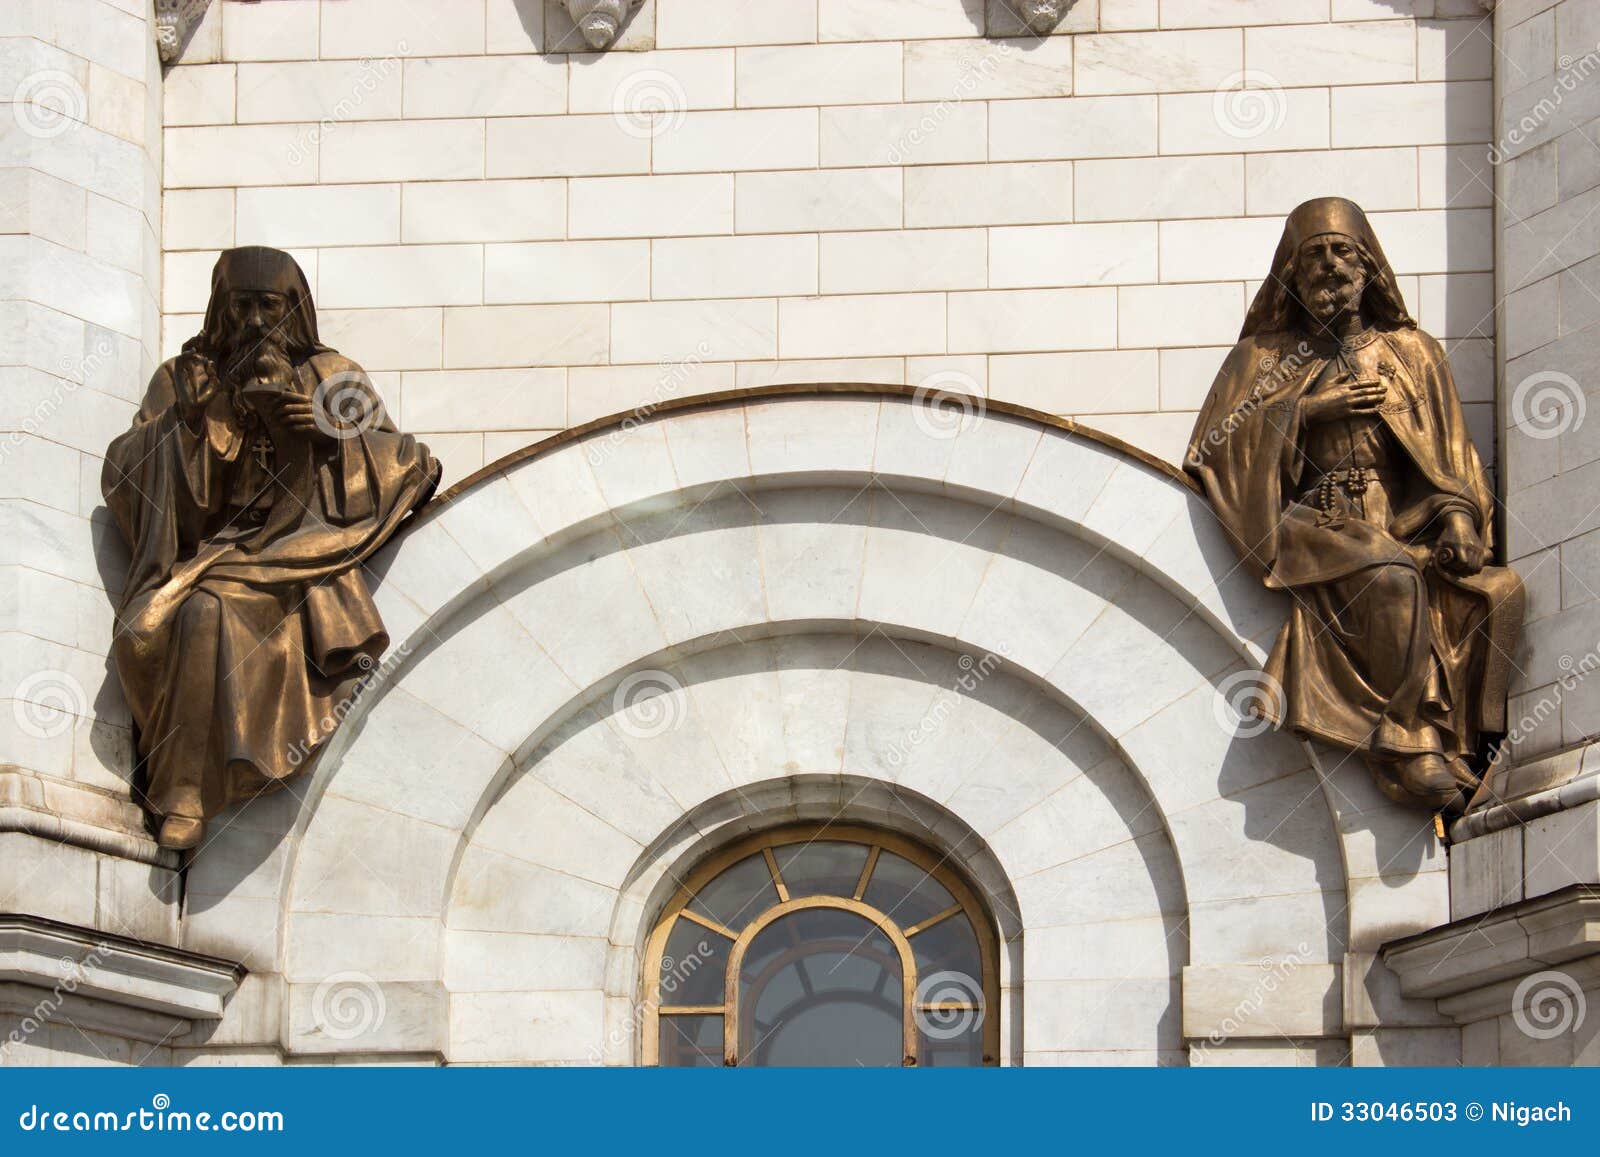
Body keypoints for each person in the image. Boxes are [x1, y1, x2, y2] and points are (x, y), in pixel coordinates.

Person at [1185, 198, 1523, 814]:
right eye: (1314, 254)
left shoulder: (1411, 352)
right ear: (1291, 270)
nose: (1329, 266)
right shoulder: (1261, 357)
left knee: (1498, 593)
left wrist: (1460, 519)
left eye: (1342, 252)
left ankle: (1461, 745)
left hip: (1402, 517)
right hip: (1314, 517)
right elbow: (1217, 450)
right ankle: (1409, 740)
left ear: (1368, 267)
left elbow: (1451, 457)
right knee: (1391, 577)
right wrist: (1311, 410)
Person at [102, 246, 439, 849]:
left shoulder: (332, 374)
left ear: (293, 310)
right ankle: (180, 779)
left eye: (269, 306)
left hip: (302, 544)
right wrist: (189, 422)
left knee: (206, 611)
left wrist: (329, 440)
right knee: (157, 624)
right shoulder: (186, 377)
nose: (256, 321)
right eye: (242, 306)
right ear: (220, 309)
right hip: (222, 548)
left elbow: (406, 461)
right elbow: (127, 476)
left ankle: (185, 790)